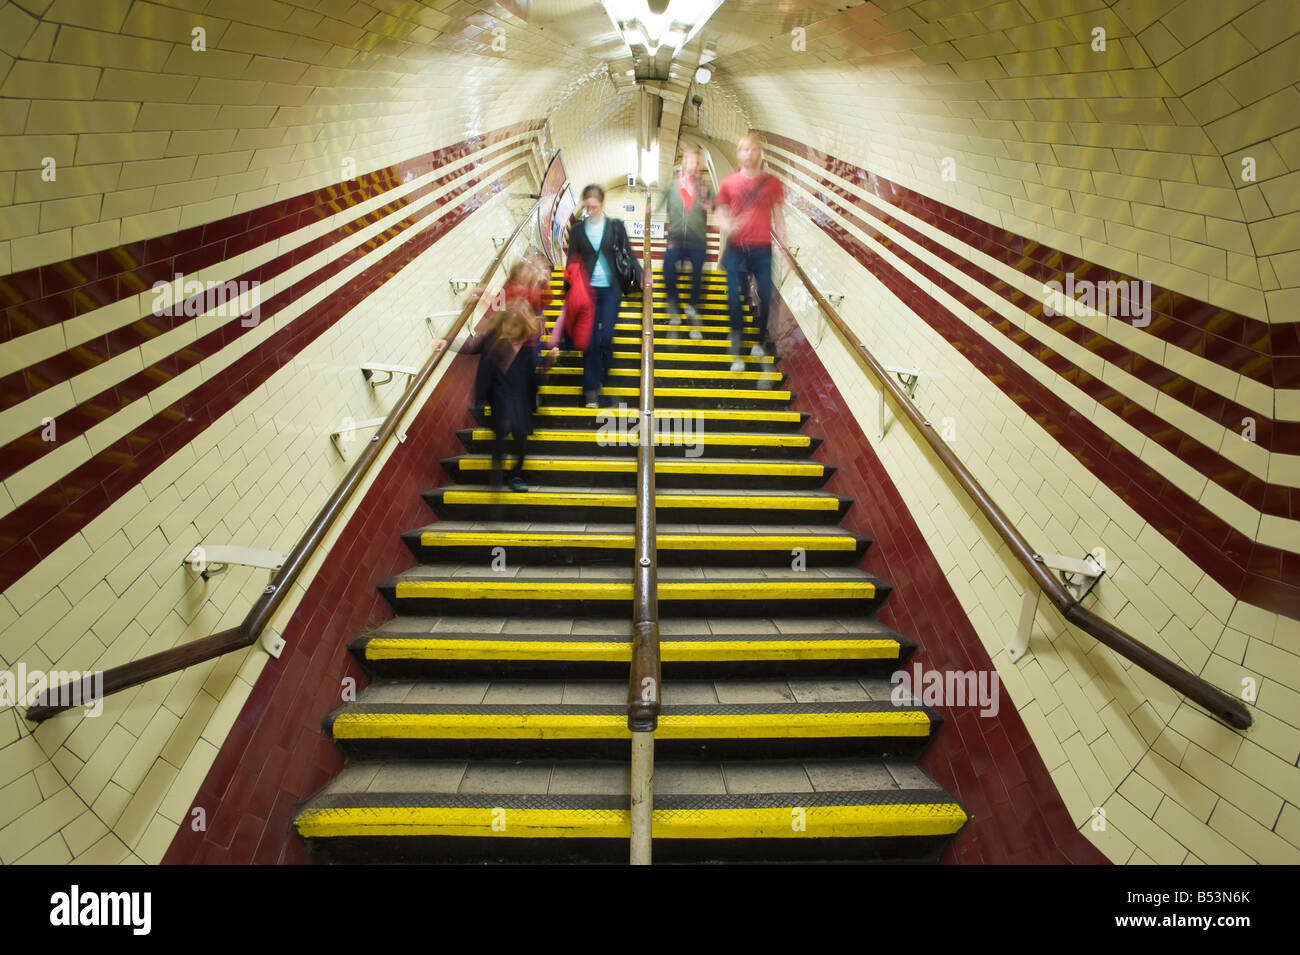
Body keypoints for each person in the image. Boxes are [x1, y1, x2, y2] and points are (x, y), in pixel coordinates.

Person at [439, 300, 557, 492]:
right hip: (499, 399)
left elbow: (535, 377)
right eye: (507, 324)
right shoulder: (492, 340)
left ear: (523, 328)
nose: (509, 329)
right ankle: (496, 476)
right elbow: (470, 346)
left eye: (515, 326)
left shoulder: (527, 350)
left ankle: (515, 475)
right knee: (500, 435)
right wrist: (447, 343)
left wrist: (548, 362)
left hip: (520, 401)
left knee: (520, 439)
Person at [713, 132, 789, 371]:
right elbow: (719, 214)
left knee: (766, 295)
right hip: (736, 247)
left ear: (760, 153)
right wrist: (728, 225)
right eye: (745, 149)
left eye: (754, 149)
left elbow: (779, 216)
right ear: (739, 153)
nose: (750, 154)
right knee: (733, 296)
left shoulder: (772, 182)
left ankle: (758, 341)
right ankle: (737, 338)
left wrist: (784, 247)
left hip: (762, 249)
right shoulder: (729, 183)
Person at [565, 184, 631, 408]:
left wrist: (642, 275)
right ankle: (591, 389)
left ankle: (605, 368)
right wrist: (568, 294)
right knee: (590, 339)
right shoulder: (577, 231)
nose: (590, 212)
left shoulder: (615, 227)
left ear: (602, 204)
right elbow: (571, 262)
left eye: (594, 207)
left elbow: (628, 254)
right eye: (587, 208)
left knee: (606, 336)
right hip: (587, 292)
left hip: (611, 289)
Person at [657, 145, 713, 340]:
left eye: (696, 162)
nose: (692, 165)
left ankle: (692, 307)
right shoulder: (673, 184)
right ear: (683, 162)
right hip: (677, 237)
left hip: (697, 239)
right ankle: (674, 303)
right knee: (667, 269)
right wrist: (650, 209)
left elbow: (714, 204)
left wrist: (710, 204)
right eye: (689, 161)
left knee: (698, 276)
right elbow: (660, 201)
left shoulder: (704, 186)